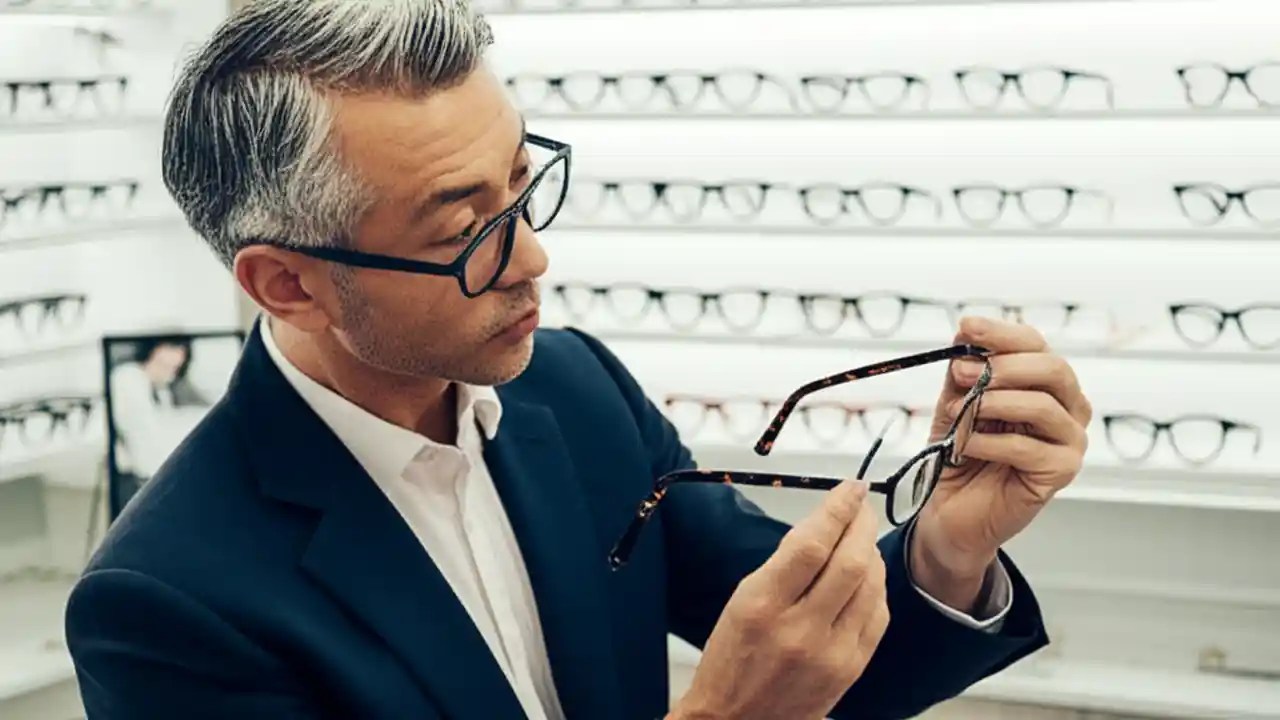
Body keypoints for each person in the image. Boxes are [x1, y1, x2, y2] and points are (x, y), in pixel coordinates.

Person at [64, 2, 1093, 719]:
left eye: (521, 184)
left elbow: (818, 665)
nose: (531, 257)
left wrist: (948, 549)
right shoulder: (166, 605)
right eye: (463, 232)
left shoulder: (573, 392)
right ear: (285, 284)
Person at [106, 336, 209, 516]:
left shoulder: (162, 390)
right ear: (154, 349)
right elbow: (145, 452)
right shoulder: (127, 378)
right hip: (133, 484)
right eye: (172, 347)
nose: (179, 356)